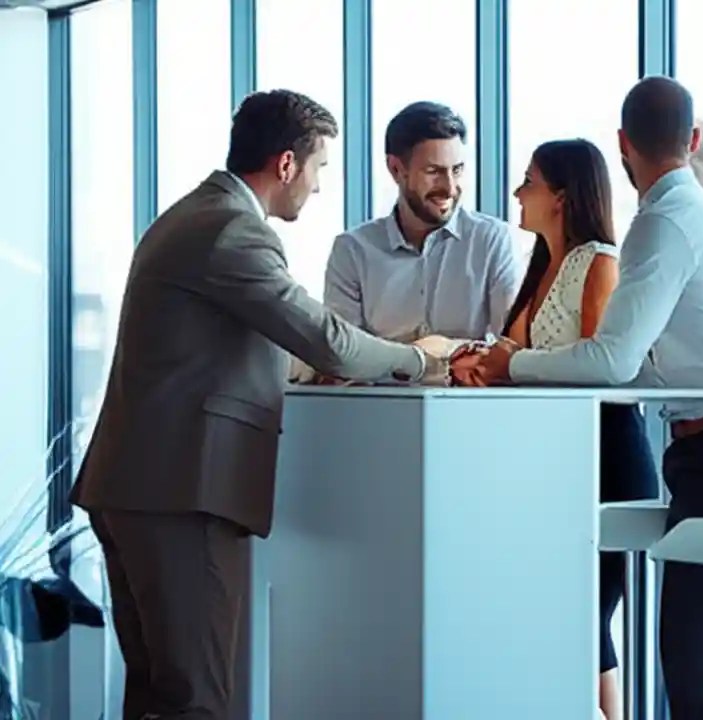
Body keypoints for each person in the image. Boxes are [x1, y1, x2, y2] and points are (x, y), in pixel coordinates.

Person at [69, 89, 446, 720]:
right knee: (197, 701)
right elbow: (325, 340)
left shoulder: (196, 215)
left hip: (142, 487)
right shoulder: (231, 230)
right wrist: (422, 362)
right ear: (287, 165)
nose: (320, 188)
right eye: (321, 168)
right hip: (178, 494)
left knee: (158, 696)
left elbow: (255, 343)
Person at [475, 76, 703, 720]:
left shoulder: (662, 223)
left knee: (695, 648)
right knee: (693, 644)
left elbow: (613, 361)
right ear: (694, 140)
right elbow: (645, 369)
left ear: (622, 144)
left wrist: (517, 366)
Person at [457, 138, 659, 720]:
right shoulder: (542, 265)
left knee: (586, 612)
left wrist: (508, 365)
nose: (519, 193)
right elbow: (519, 357)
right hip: (547, 463)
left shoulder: (598, 263)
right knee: (560, 609)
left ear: (562, 196)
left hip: (603, 456)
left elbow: (602, 368)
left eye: (530, 181)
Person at [324, 101, 519, 341]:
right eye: (433, 172)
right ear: (396, 169)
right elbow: (344, 353)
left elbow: (507, 345)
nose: (449, 188)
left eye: (456, 170)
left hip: (463, 380)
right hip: (380, 380)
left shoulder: (493, 240)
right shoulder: (352, 251)